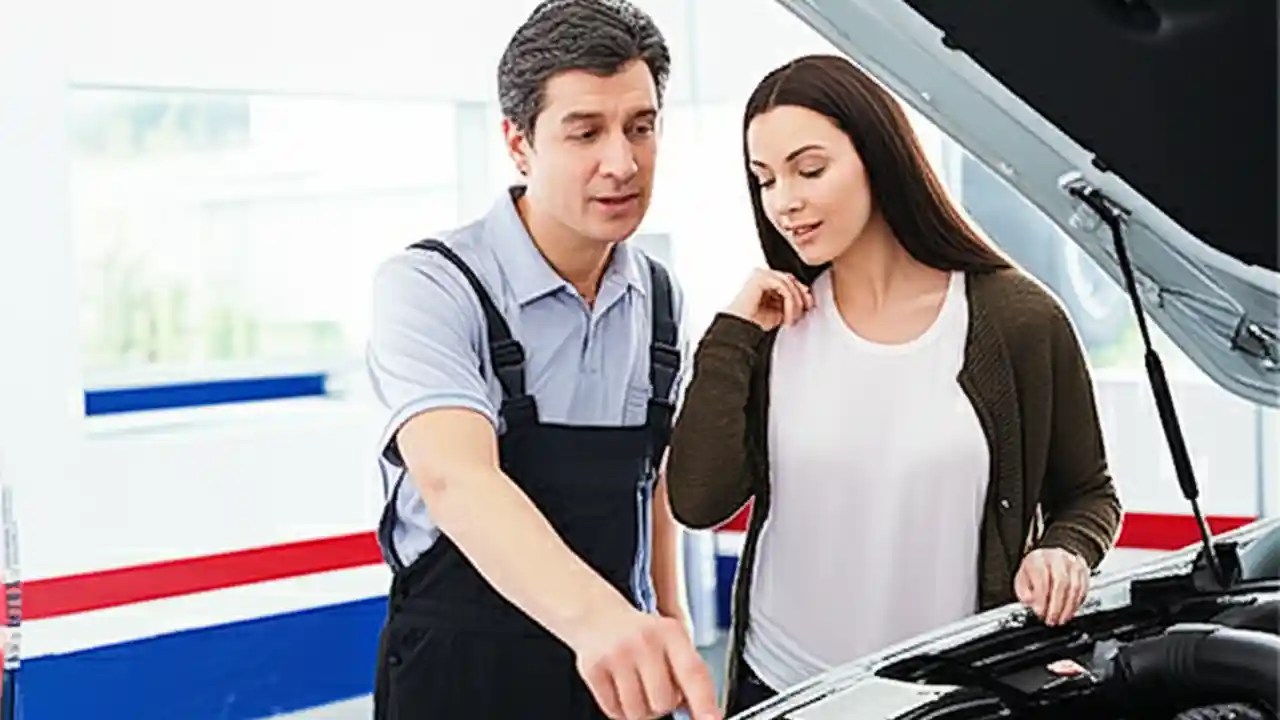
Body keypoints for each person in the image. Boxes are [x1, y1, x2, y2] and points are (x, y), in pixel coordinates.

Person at [664, 54, 1123, 715]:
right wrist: (732, 334)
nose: (784, 201)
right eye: (765, 180)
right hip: (784, 688)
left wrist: (1063, 550)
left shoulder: (1017, 321)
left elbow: (1089, 493)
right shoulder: (770, 327)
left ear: (879, 156)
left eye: (810, 169)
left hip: (945, 695)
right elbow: (698, 501)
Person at [367, 2, 721, 719]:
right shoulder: (432, 285)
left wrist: (668, 618)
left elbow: (649, 481)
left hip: (611, 680)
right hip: (462, 675)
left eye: (641, 127)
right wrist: (605, 625)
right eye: (585, 132)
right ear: (519, 144)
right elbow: (456, 478)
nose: (621, 163)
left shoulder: (657, 294)